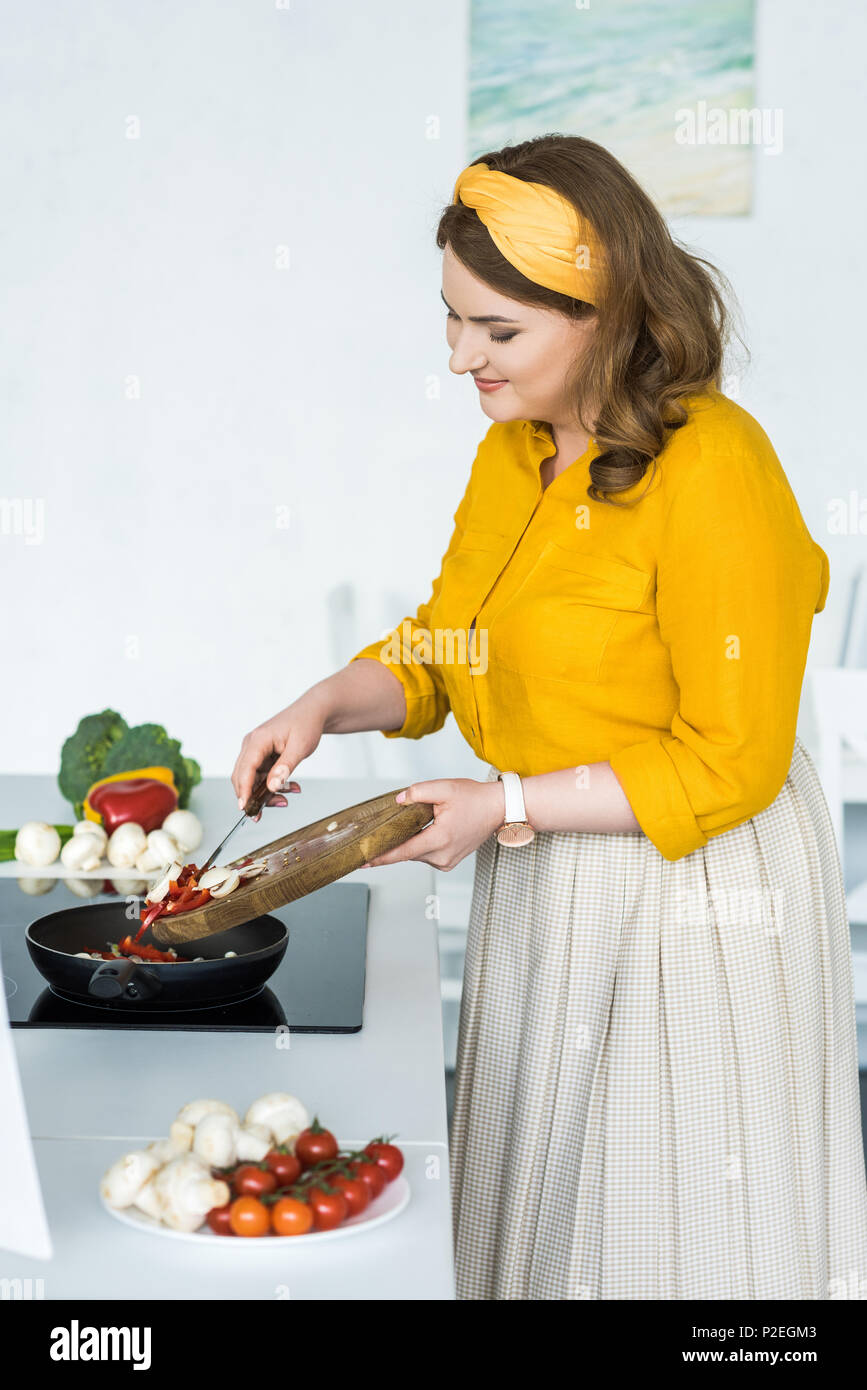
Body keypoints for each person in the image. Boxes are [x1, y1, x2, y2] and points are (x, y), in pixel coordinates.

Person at [231, 133, 867, 1300]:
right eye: (453, 318)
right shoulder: (514, 453)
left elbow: (734, 757)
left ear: (607, 312)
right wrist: (326, 700)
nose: (460, 356)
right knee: (552, 1202)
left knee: (660, 1230)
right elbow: (450, 648)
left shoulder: (717, 467)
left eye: (499, 331)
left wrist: (504, 803)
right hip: (543, 864)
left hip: (695, 887)